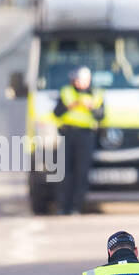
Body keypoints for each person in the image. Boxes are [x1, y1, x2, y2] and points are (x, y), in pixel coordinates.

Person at [53, 66, 105, 216]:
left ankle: (76, 207)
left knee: (81, 173)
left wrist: (91, 109)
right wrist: (71, 106)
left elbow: (100, 115)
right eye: (77, 80)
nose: (79, 83)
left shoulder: (96, 94)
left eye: (82, 80)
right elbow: (57, 112)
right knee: (64, 173)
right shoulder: (66, 92)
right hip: (68, 134)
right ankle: (62, 207)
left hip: (86, 136)